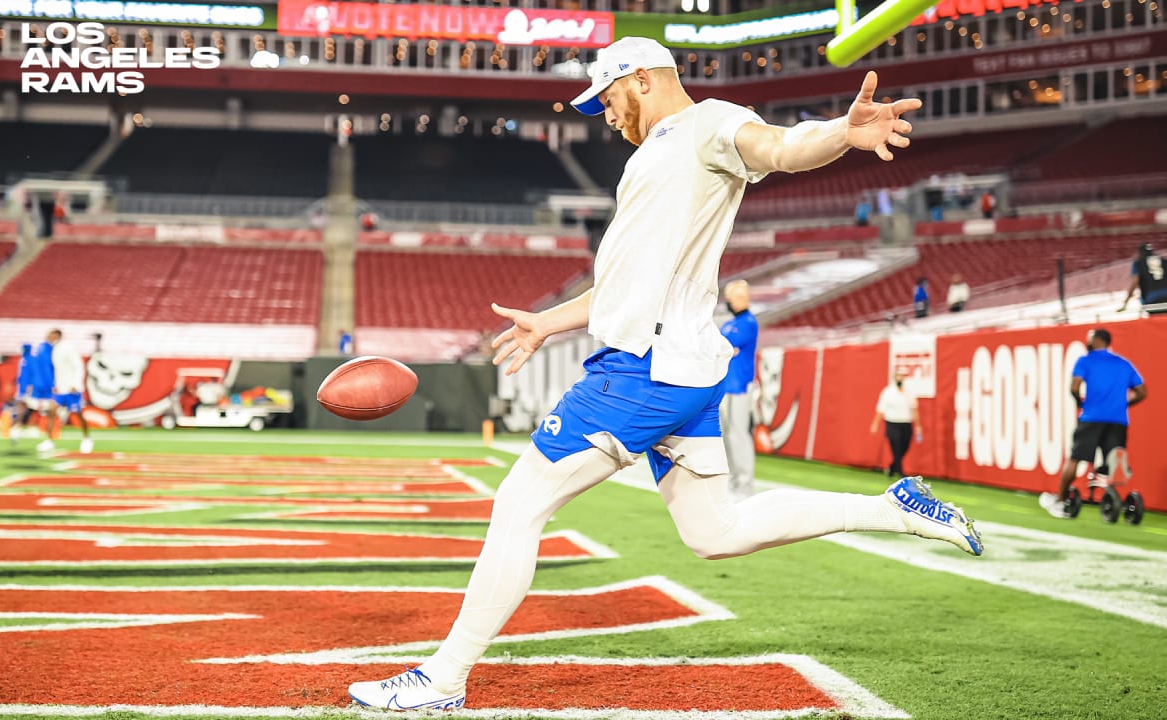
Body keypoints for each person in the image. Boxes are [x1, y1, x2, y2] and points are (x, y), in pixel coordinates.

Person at [347, 36, 983, 711]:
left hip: (644, 370)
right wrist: (547, 323)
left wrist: (839, 134)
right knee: (714, 533)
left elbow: (780, 148)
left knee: (518, 505)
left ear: (643, 78)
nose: (605, 114)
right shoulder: (654, 158)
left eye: (609, 97)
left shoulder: (706, 123)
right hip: (685, 367)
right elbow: (624, 286)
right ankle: (892, 509)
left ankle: (442, 679)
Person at [1039, 328, 1146, 519]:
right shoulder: (1123, 364)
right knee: (1115, 461)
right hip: (1118, 420)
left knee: (1075, 458)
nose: (1087, 342)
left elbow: (1074, 386)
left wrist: (1079, 401)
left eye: (1089, 339)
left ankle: (1060, 501)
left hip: (1092, 417)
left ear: (1097, 340)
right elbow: (1142, 391)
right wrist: (1123, 404)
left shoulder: (1085, 361)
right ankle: (1116, 499)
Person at [718, 279, 758, 501]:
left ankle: (745, 485)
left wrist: (725, 348)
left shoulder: (748, 323)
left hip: (740, 386)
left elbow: (722, 345)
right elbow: (722, 347)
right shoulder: (728, 324)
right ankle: (734, 480)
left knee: (739, 434)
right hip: (726, 386)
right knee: (727, 436)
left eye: (730, 298)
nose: (728, 303)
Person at [869, 370, 920, 479]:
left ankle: (892, 468)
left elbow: (914, 409)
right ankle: (901, 473)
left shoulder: (909, 392)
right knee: (896, 447)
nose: (900, 378)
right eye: (898, 376)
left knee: (904, 447)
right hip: (892, 423)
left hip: (906, 423)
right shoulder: (888, 392)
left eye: (902, 376)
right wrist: (875, 424)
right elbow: (881, 409)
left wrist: (918, 426)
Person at [48, 329, 92, 454]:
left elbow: (78, 366)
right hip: (61, 389)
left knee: (77, 414)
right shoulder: (54, 350)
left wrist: (76, 384)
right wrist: (55, 384)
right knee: (51, 411)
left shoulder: (67, 348)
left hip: (71, 389)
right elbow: (58, 370)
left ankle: (87, 438)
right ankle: (50, 441)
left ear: (57, 336)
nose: (48, 337)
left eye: (51, 335)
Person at [1118, 243, 1167, 315]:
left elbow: (1135, 282)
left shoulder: (1138, 264)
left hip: (1152, 299)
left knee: (1158, 325)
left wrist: (1126, 302)